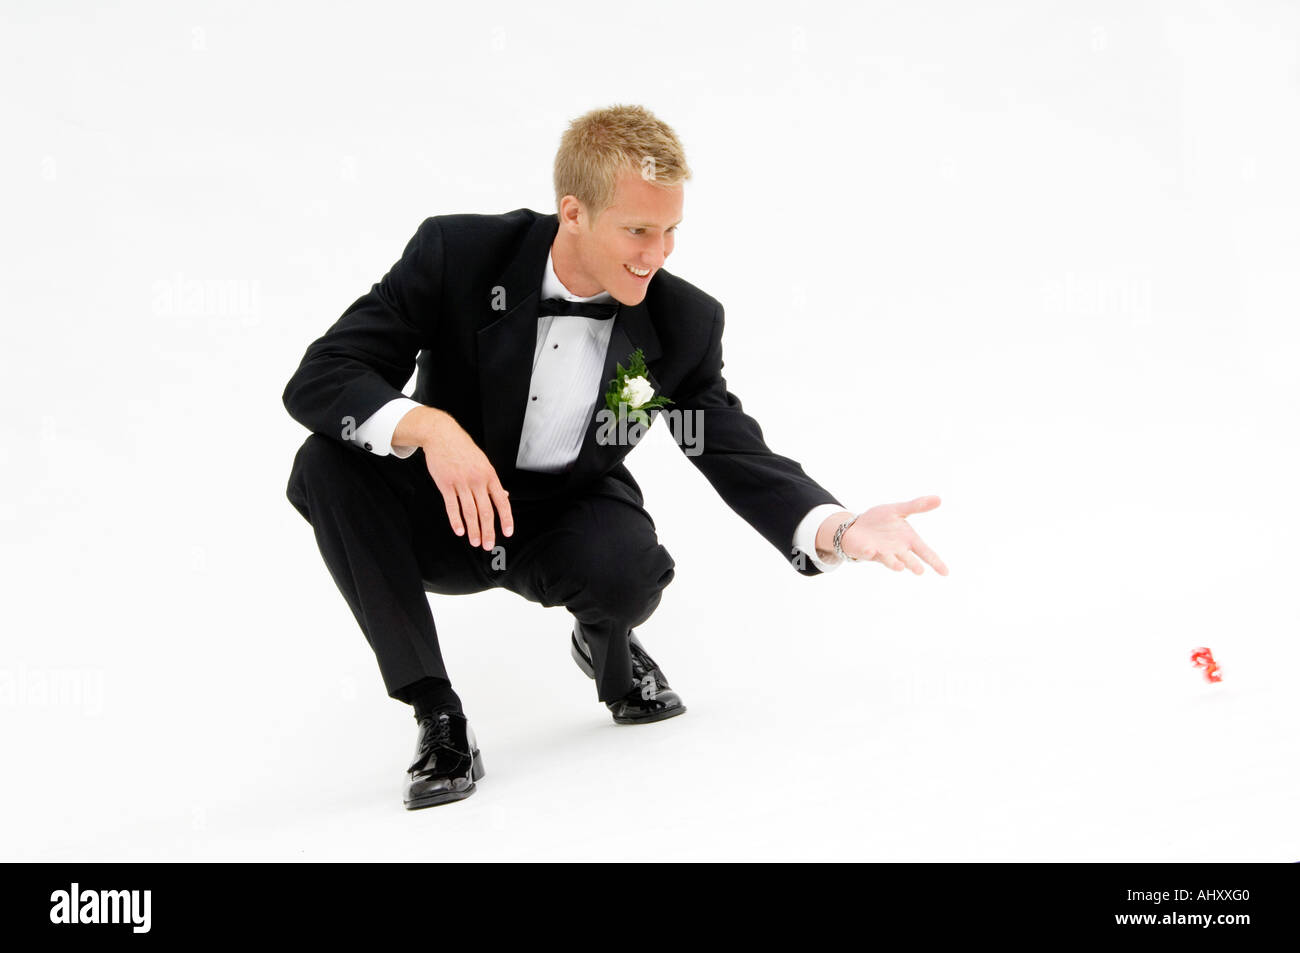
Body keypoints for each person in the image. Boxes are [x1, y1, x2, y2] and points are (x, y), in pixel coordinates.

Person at [282, 104, 949, 810]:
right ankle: (436, 712)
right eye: (637, 230)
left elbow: (720, 440)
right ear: (573, 213)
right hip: (443, 509)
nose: (654, 255)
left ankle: (609, 650)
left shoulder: (684, 322)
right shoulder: (458, 255)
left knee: (629, 574)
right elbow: (323, 376)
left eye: (669, 233)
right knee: (324, 464)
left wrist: (838, 527)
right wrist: (433, 428)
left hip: (564, 517)